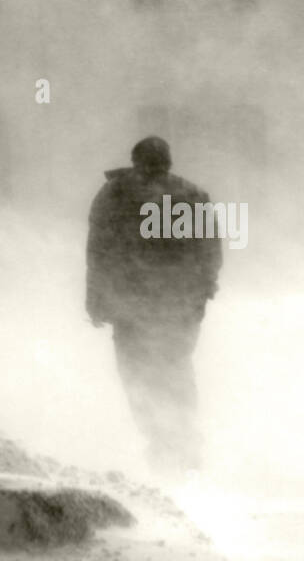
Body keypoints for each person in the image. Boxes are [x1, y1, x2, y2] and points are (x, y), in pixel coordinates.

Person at [87, 137, 222, 475]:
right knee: (176, 369)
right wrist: (202, 295)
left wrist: (96, 298)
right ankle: (183, 441)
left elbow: (99, 249)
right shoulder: (193, 195)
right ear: (169, 161)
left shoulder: (115, 194)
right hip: (178, 307)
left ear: (135, 161)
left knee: (136, 373)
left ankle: (160, 442)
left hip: (131, 306)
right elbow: (209, 253)